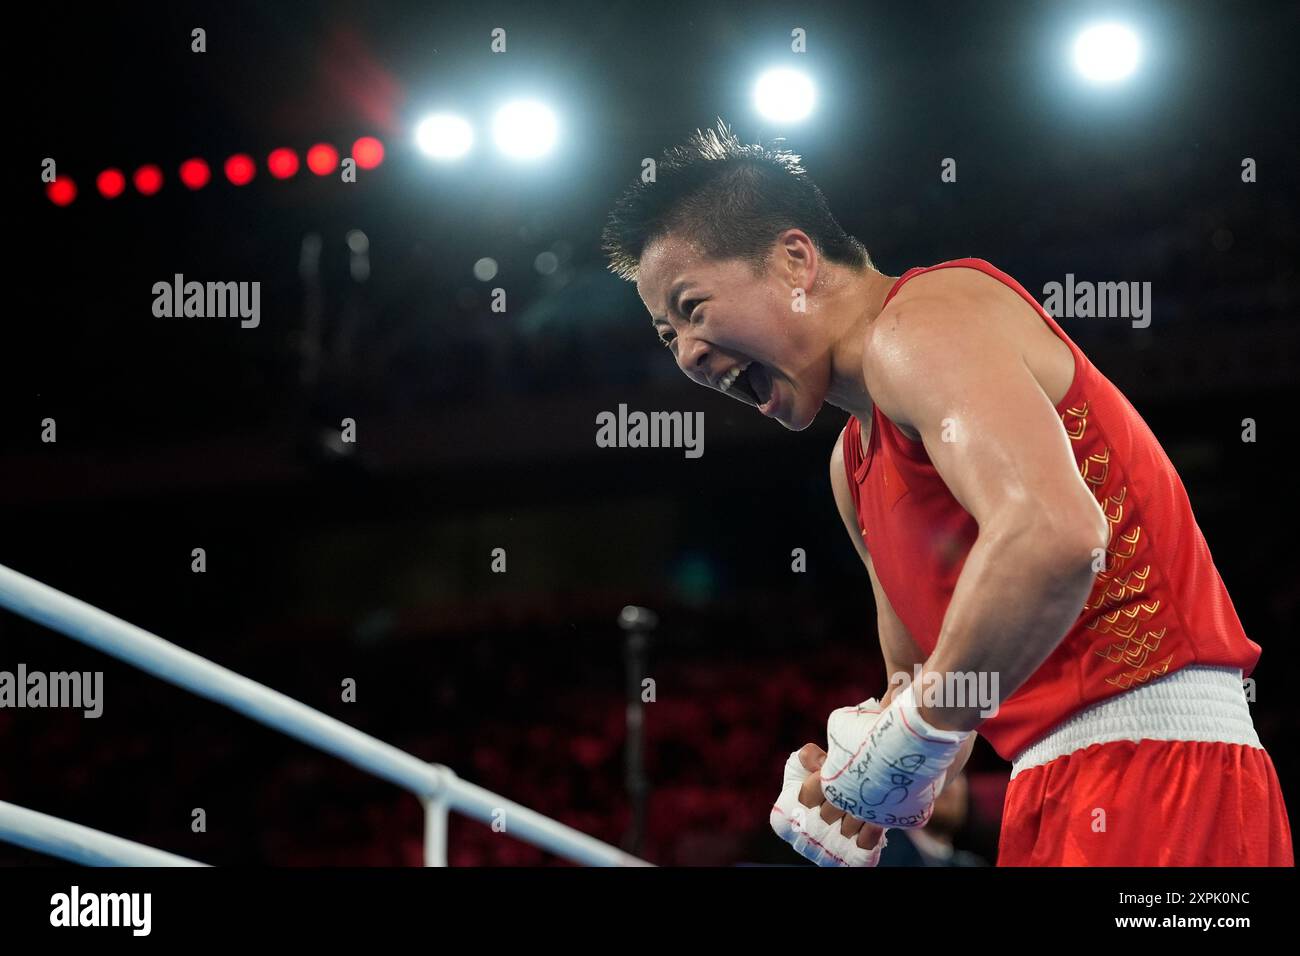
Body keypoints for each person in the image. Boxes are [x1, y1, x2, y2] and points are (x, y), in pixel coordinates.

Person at [601, 121, 1293, 866]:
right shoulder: (853, 468)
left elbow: (1054, 538)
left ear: (794, 259)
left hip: (1161, 776)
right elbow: (933, 695)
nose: (690, 356)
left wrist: (914, 734)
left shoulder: (922, 322)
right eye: (666, 335)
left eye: (692, 308)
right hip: (1048, 791)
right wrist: (852, 776)